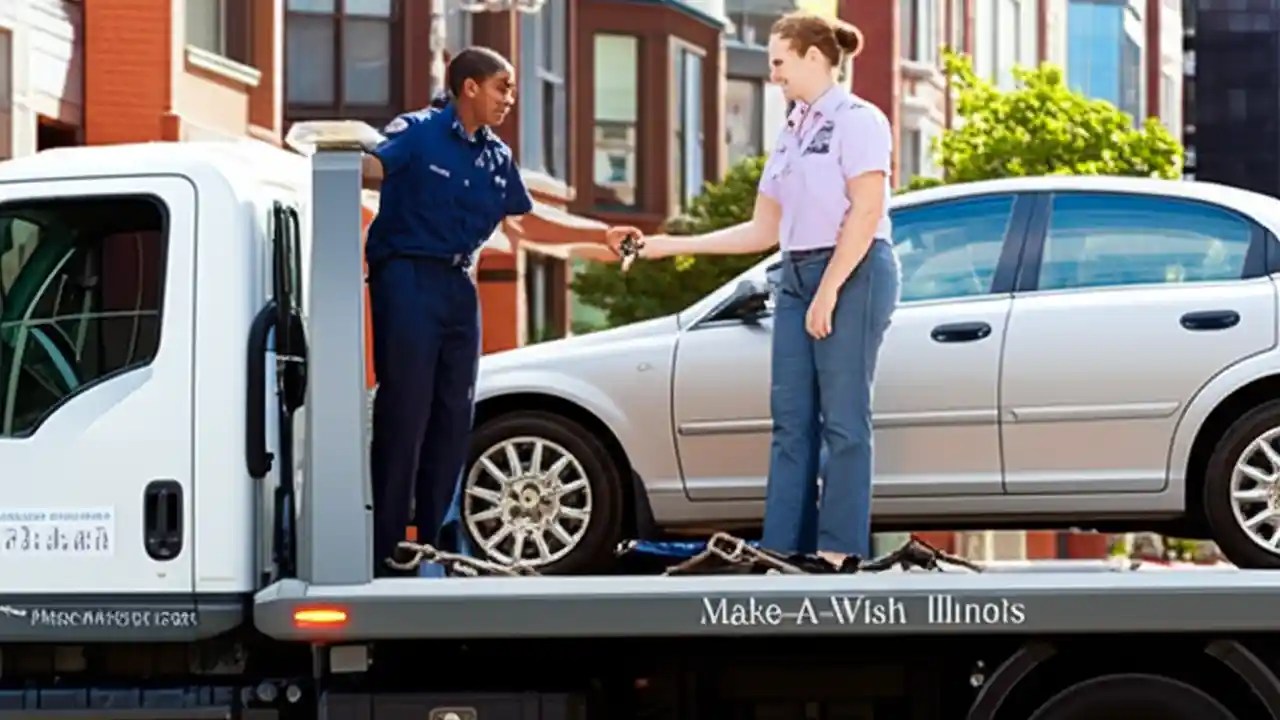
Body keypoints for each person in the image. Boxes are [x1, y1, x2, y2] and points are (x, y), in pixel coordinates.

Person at [608, 12, 900, 569]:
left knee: (843, 417)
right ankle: (783, 547)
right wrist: (666, 245)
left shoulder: (860, 120)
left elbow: (866, 213)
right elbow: (762, 231)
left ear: (815, 57)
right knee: (790, 416)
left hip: (853, 271)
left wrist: (829, 291)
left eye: (779, 63)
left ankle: (838, 551)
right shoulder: (792, 129)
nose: (774, 76)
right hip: (793, 272)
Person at [359, 46, 638, 576]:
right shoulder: (417, 132)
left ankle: (435, 546)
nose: (509, 98)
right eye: (502, 87)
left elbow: (527, 224)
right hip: (408, 278)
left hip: (459, 286)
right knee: (406, 412)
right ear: (469, 87)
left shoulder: (494, 154)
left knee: (454, 417)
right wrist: (335, 150)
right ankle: (388, 546)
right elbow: (370, 164)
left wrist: (601, 235)